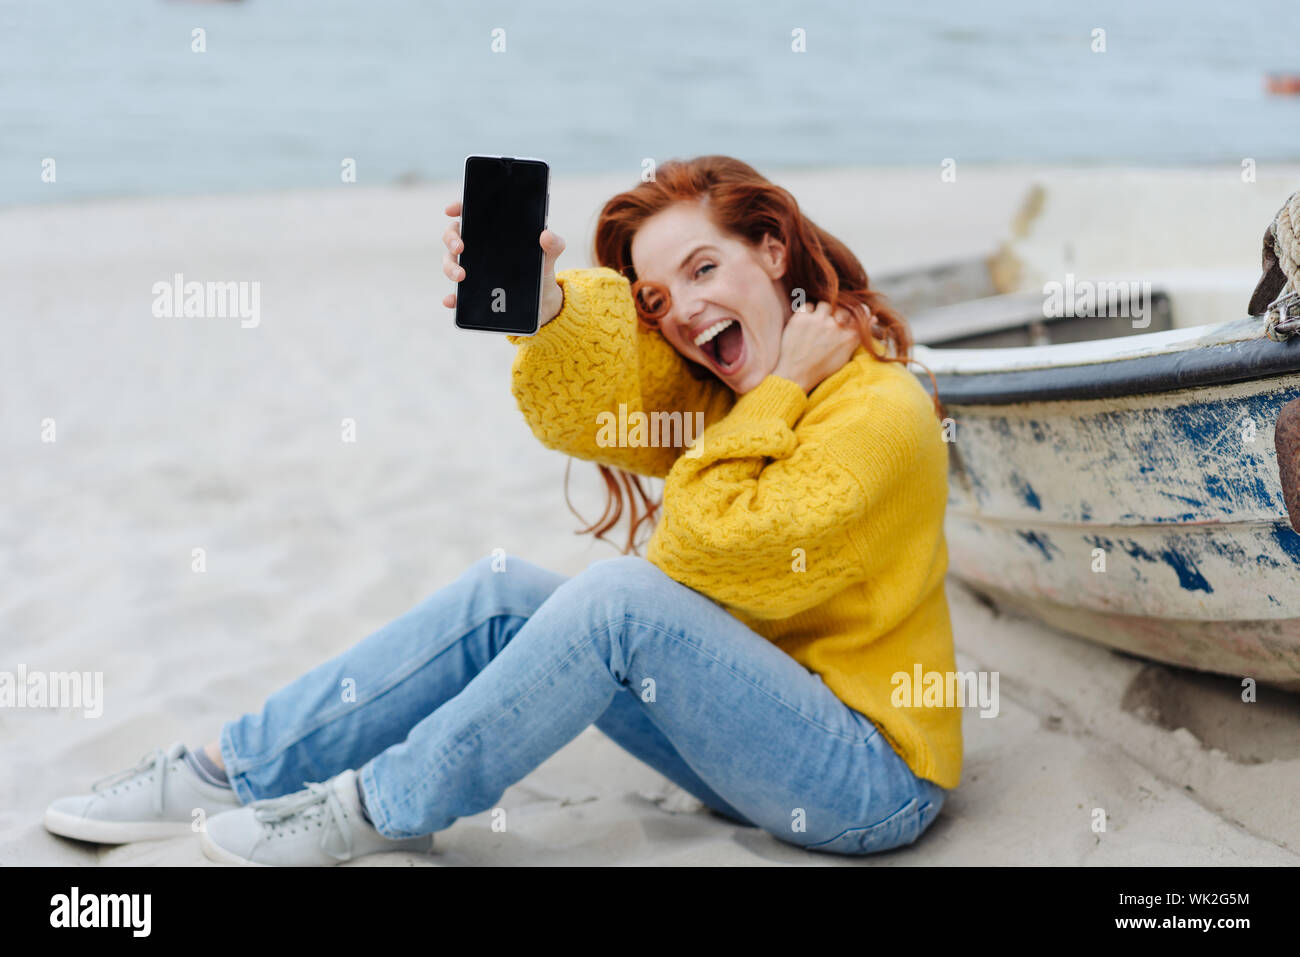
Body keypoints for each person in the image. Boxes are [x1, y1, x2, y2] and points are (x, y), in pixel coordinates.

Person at [43, 155, 961, 866]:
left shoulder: (880, 412)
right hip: (750, 747)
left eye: (703, 266)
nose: (682, 310)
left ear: (772, 248)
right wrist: (550, 302)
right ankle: (228, 769)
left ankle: (375, 809)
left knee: (618, 600)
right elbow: (593, 407)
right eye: (656, 296)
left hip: (866, 782)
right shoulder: (739, 395)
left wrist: (784, 391)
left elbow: (714, 543)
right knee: (504, 594)